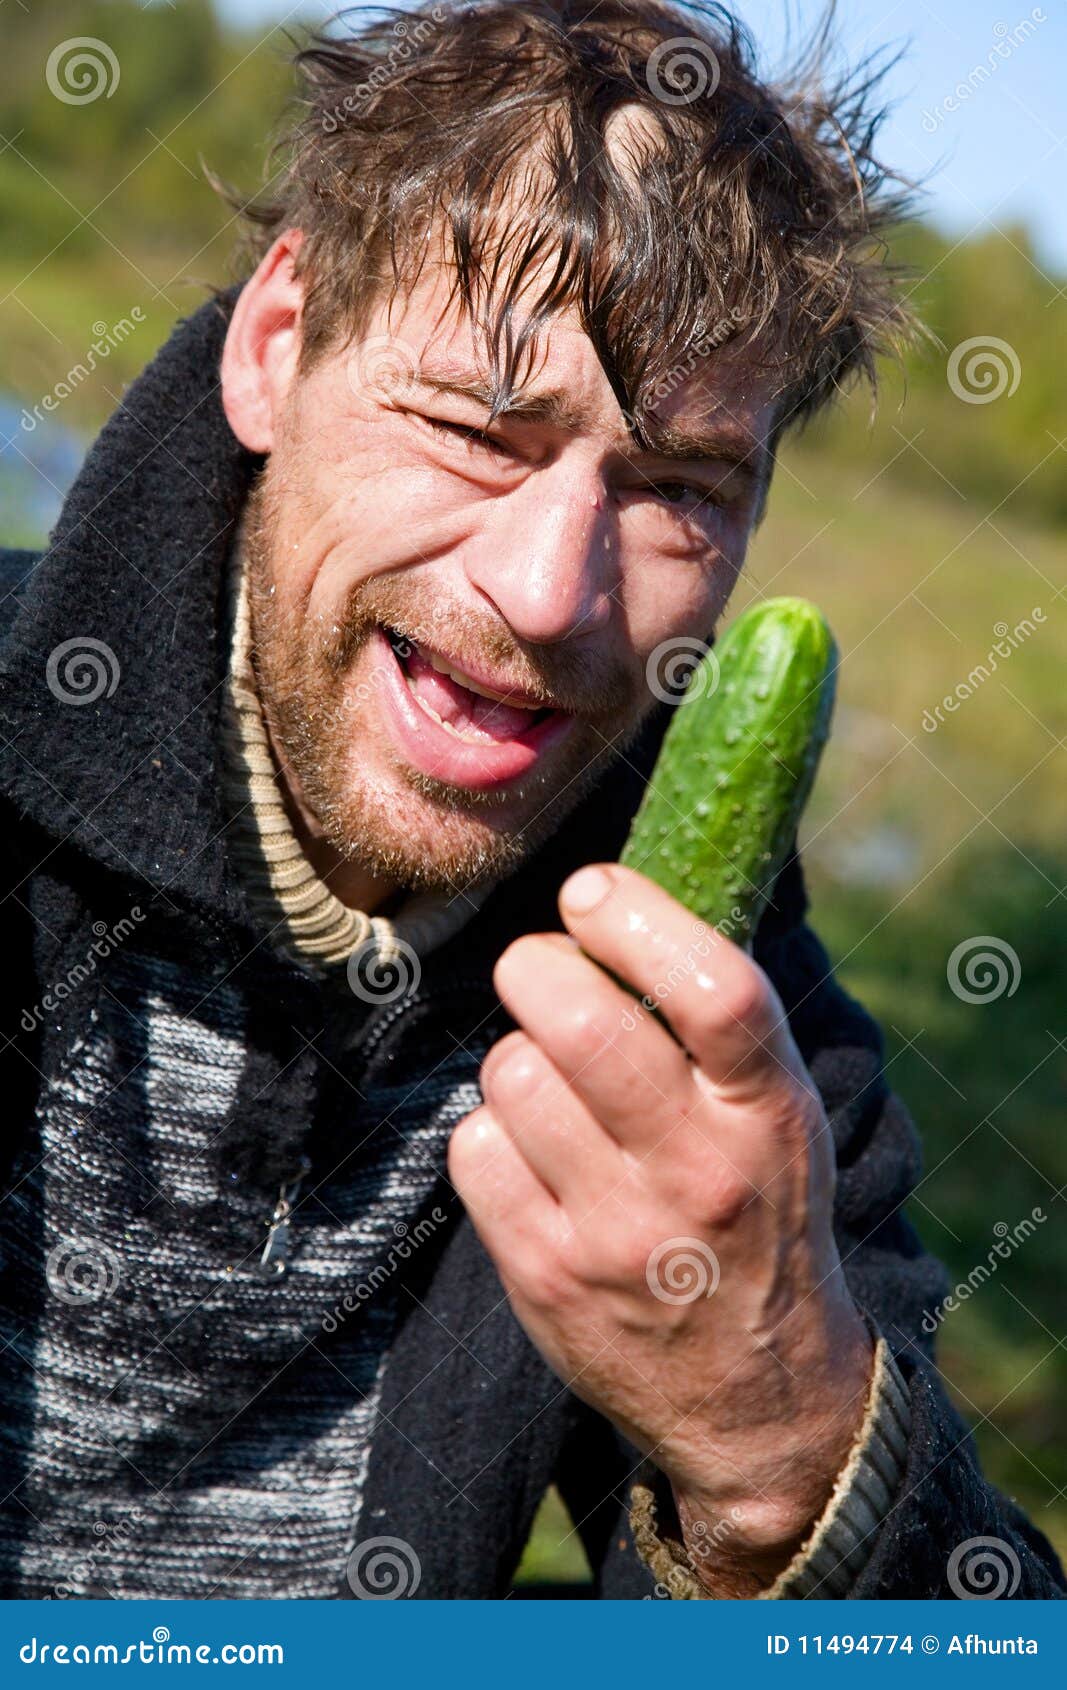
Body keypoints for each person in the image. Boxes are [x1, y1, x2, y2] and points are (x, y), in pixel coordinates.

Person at [0, 0, 1062, 1601]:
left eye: (680, 488)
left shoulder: (715, 996)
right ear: (278, 349)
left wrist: (788, 1451)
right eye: (478, 430)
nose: (552, 592)